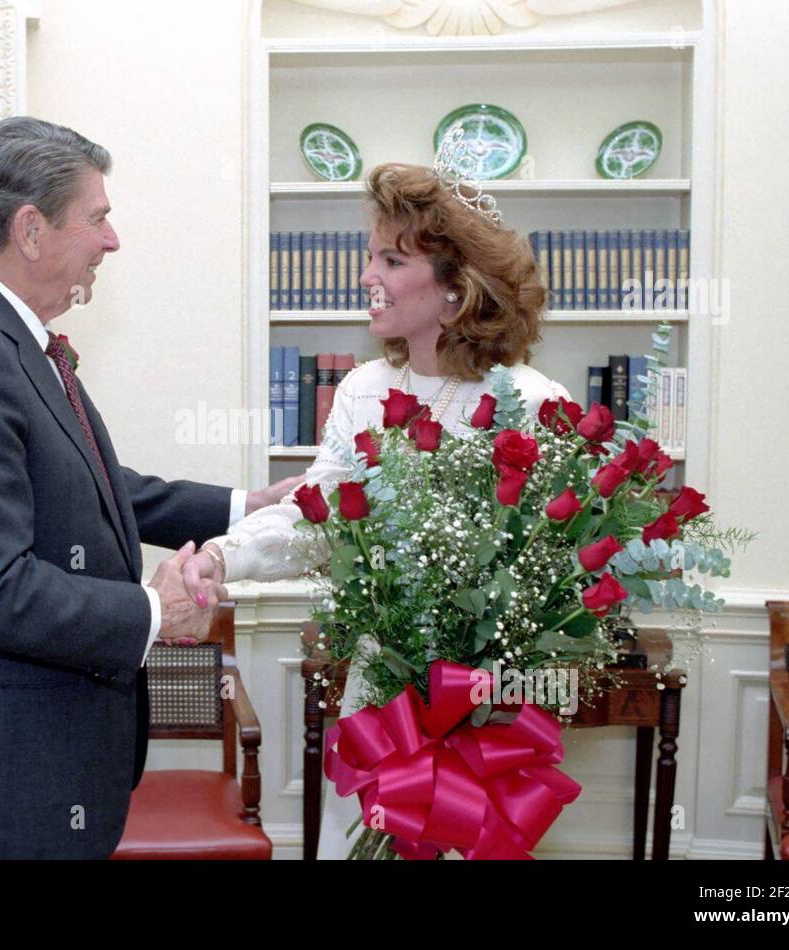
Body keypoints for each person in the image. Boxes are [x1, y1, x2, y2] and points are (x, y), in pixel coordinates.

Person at [0, 116, 297, 859]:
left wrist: (240, 506)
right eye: (97, 217)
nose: (113, 240)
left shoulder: (7, 340)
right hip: (5, 787)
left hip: (41, 774)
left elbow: (94, 488)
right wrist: (152, 608)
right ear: (31, 230)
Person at [184, 159, 574, 858]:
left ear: (456, 288)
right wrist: (222, 556)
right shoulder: (364, 391)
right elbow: (318, 513)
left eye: (391, 260)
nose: (368, 275)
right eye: (372, 256)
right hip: (380, 696)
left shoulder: (534, 400)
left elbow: (553, 562)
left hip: (489, 705)